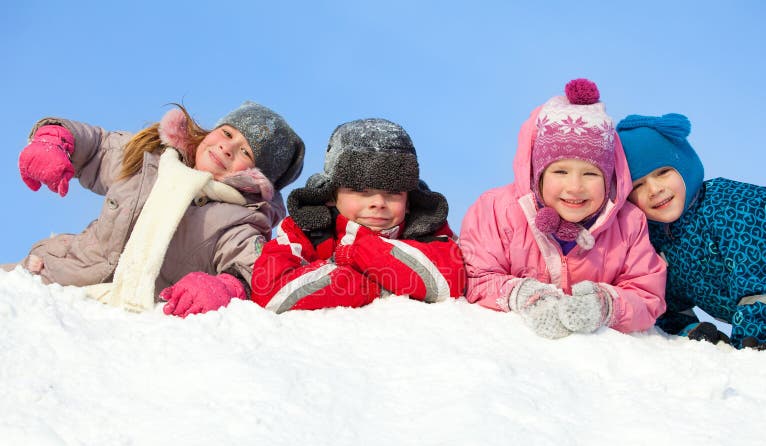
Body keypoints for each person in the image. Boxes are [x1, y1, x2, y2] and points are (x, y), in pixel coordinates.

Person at [7, 101, 305, 316]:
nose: (228, 147)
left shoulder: (239, 222)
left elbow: (252, 274)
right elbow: (97, 147)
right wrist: (56, 140)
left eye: (245, 151)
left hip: (118, 323)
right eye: (228, 134)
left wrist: (225, 287)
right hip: (45, 278)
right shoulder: (151, 159)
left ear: (257, 178)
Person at [459, 79, 666, 338]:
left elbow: (646, 294)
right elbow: (475, 275)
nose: (575, 186)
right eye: (561, 171)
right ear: (538, 174)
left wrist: (606, 305)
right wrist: (524, 295)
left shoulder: (628, 224)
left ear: (609, 179)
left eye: (590, 173)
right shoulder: (496, 210)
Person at [617, 113, 766, 354]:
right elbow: (659, 300)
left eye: (663, 172)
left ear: (684, 163)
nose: (654, 189)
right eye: (638, 185)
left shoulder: (742, 207)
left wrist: (758, 345)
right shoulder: (653, 238)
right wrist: (691, 331)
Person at [250, 118, 465, 312]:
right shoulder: (306, 229)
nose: (378, 203)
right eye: (362, 191)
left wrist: (357, 250)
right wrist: (378, 285)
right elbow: (270, 291)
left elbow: (450, 282)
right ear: (330, 195)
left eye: (393, 193)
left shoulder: (427, 228)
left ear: (409, 200)